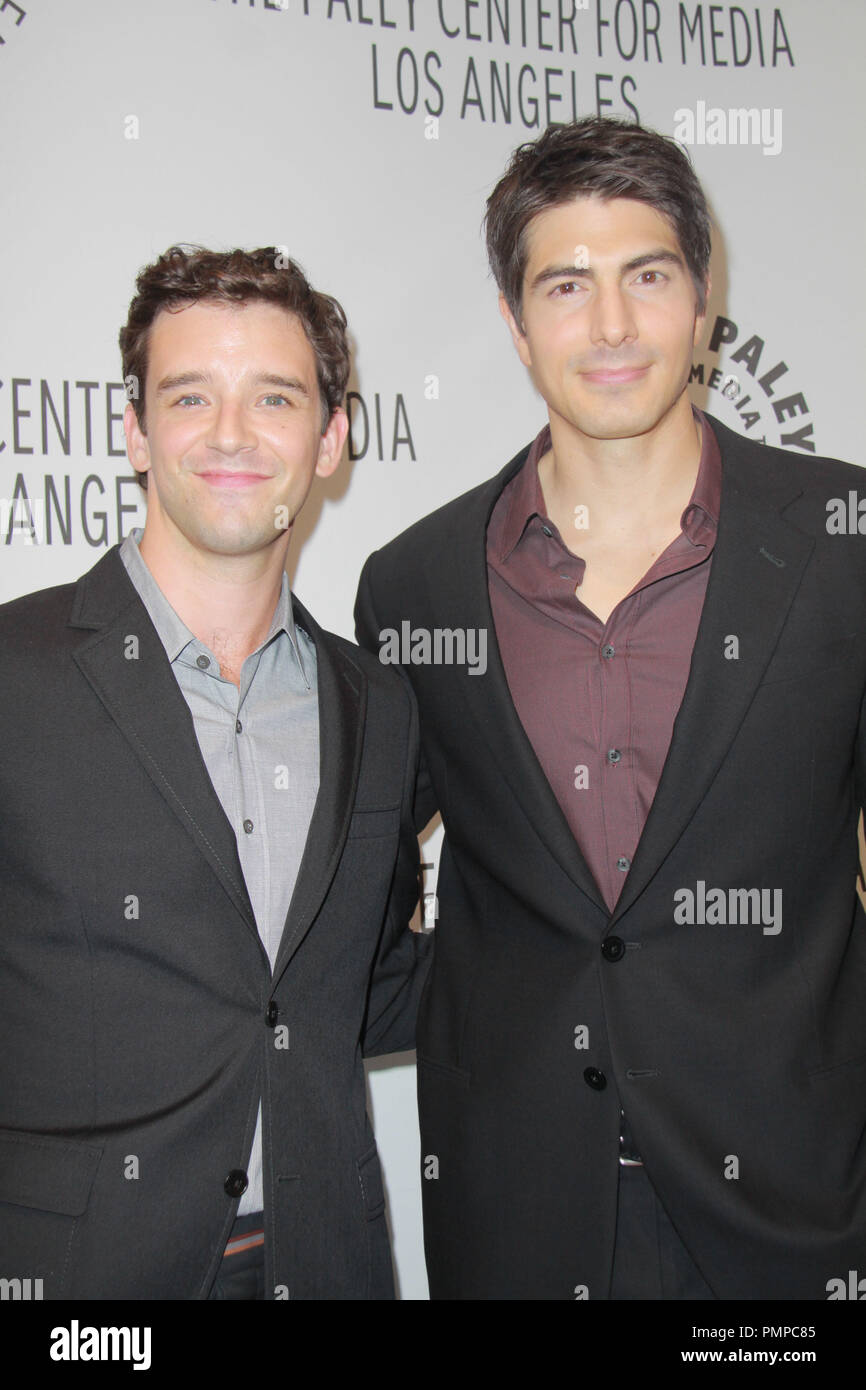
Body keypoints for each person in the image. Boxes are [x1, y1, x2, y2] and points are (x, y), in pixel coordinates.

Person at [355, 118, 866, 1300]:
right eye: (565, 285)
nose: (612, 327)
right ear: (512, 319)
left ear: (701, 297)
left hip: (794, 1215)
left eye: (646, 276)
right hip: (521, 1213)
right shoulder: (415, 582)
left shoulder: (841, 543)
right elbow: (369, 906)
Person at [0, 245, 429, 1300]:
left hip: (327, 1263)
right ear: (135, 432)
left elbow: (362, 984)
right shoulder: (15, 674)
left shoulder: (379, 707)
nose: (231, 434)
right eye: (190, 396)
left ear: (331, 438)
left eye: (274, 398)